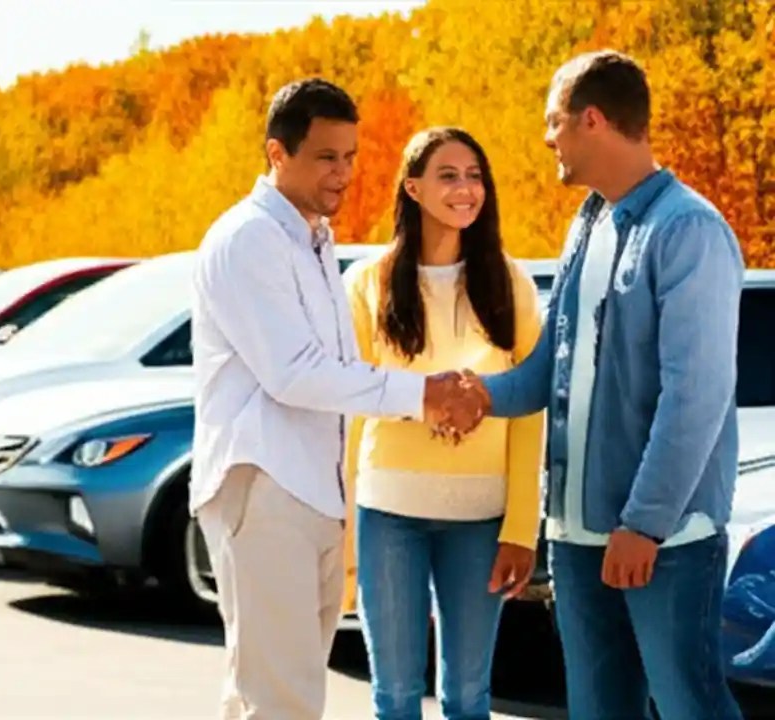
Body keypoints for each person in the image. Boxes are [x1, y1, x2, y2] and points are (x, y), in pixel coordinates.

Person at [450, 50, 746, 720]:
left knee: (689, 703)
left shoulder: (689, 230)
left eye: (554, 122)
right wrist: (482, 396)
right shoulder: (587, 223)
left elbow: (694, 397)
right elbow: (552, 365)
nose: (547, 138)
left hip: (665, 541)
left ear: (592, 119)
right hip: (578, 539)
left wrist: (645, 524)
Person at [189, 78, 481, 720]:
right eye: (326, 157)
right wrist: (426, 395)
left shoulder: (312, 239)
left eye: (351, 156)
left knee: (273, 695)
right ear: (276, 153)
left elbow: (339, 369)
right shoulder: (250, 239)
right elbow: (296, 374)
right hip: (264, 487)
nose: (343, 173)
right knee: (281, 700)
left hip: (311, 492)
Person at [342, 127, 545, 720]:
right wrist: (343, 515)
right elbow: (351, 399)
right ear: (413, 188)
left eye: (475, 176)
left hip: (481, 521)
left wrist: (521, 528)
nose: (466, 189)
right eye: (449, 175)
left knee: (467, 699)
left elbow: (530, 407)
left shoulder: (510, 283)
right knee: (396, 698)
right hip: (389, 512)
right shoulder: (367, 284)